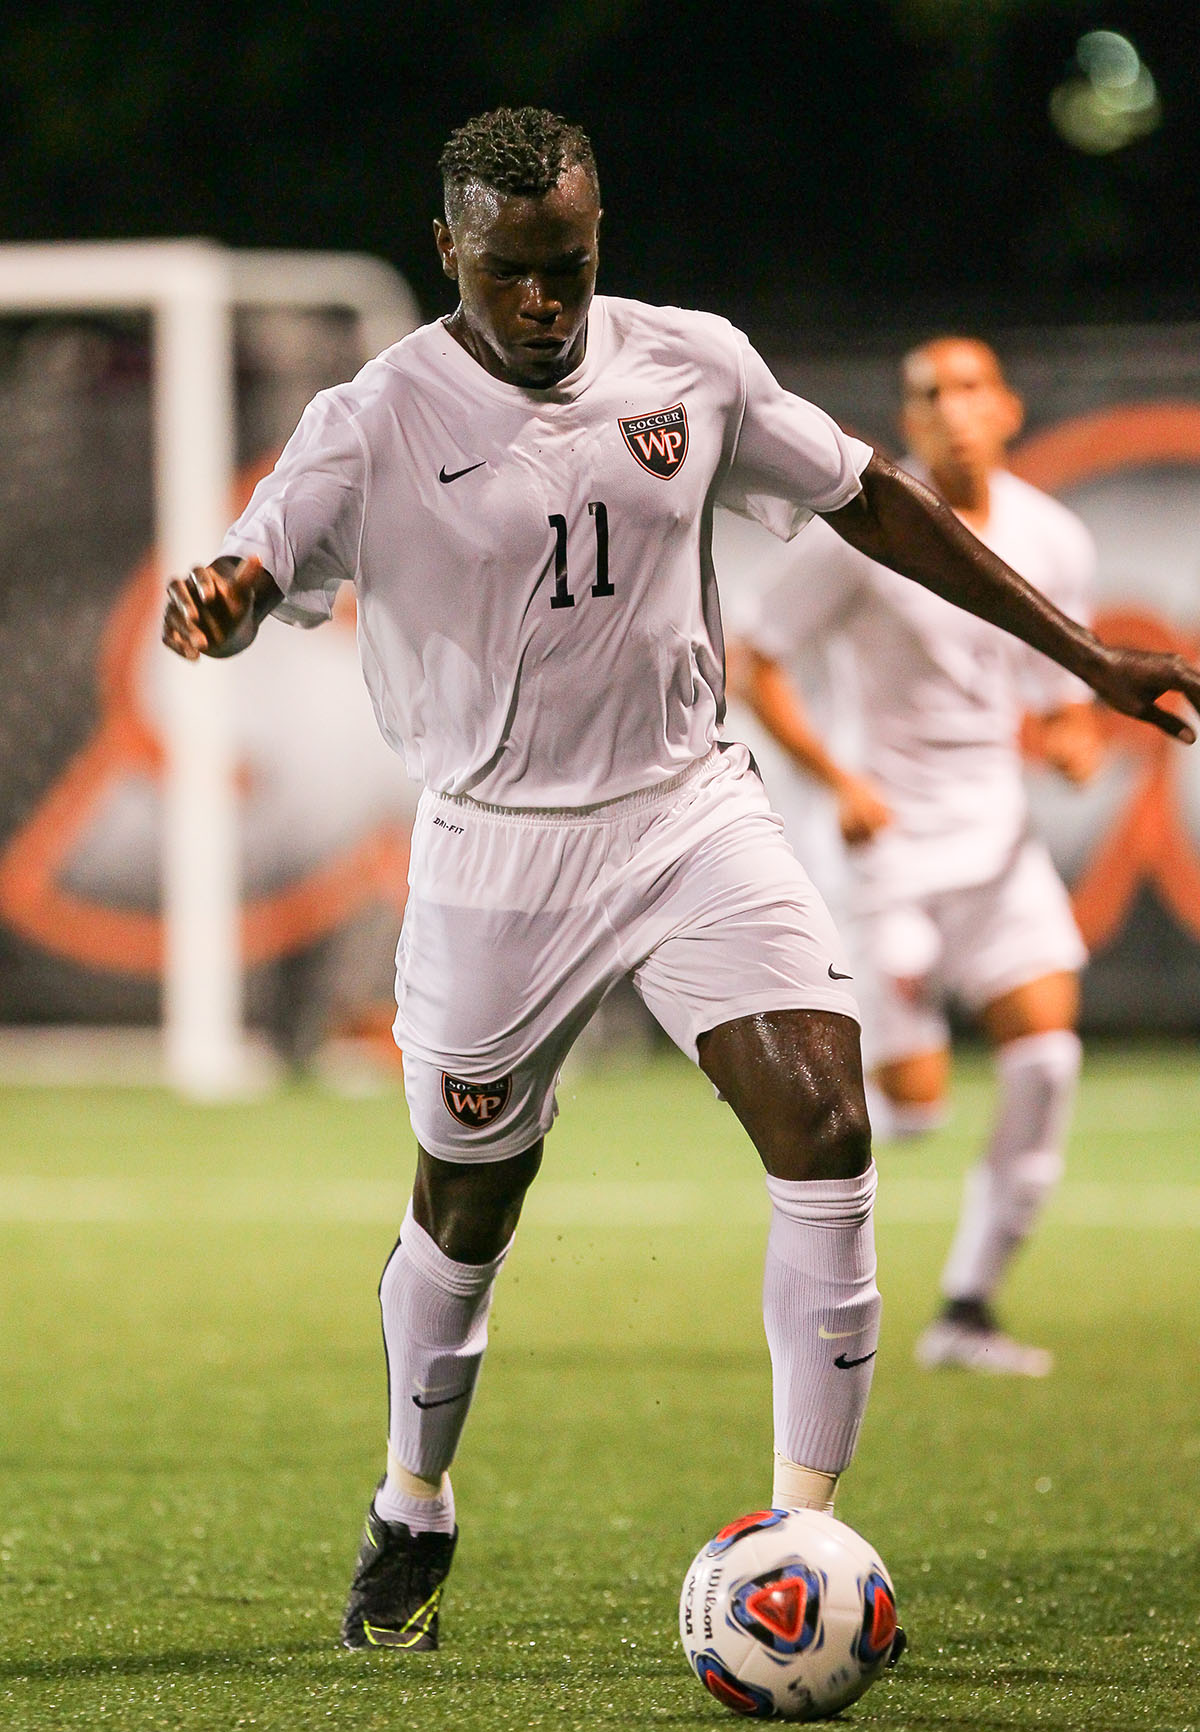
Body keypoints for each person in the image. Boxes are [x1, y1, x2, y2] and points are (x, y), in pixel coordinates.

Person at [162, 111, 1200, 1654]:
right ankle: (413, 1499)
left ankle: (811, 1536)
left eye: (568, 268)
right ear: (448, 248)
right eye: (511, 272)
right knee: (468, 1203)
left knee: (829, 1119)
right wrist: (228, 600)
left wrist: (1083, 655)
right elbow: (258, 569)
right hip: (496, 848)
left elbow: (873, 497)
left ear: (601, 237)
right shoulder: (370, 418)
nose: (543, 303)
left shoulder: (692, 365)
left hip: (687, 811)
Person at [735, 337, 1105, 1376]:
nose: (948, 407)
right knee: (909, 1117)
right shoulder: (867, 531)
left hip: (997, 844)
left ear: (1010, 408)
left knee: (1045, 1060)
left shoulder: (1052, 536)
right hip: (885, 850)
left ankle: (966, 1310)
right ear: (909, 418)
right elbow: (755, 660)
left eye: (969, 388)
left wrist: (1073, 738)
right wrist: (836, 780)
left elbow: (1056, 687)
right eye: (926, 393)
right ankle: (827, 1280)